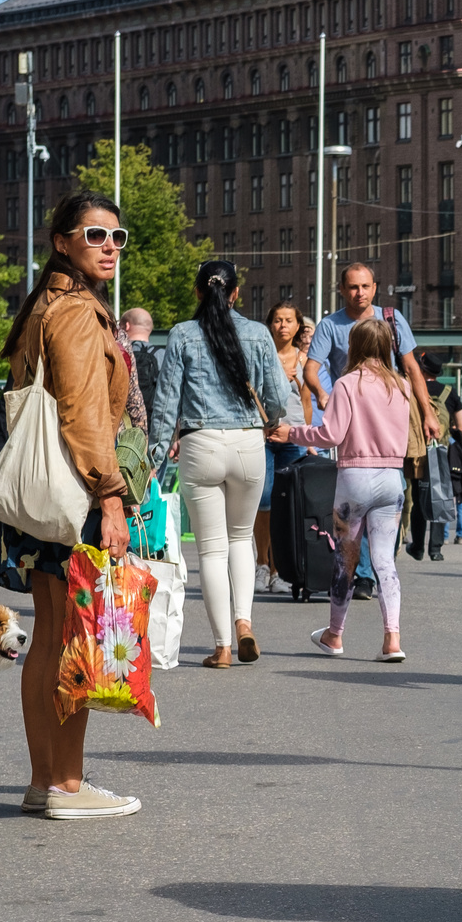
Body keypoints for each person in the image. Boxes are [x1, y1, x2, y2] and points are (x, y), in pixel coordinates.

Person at [0, 190, 143, 821]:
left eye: (116, 237)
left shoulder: (44, 304)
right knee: (73, 636)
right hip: (77, 491)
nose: (108, 246)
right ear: (62, 242)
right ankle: (67, 786)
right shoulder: (77, 313)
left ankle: (43, 779)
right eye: (94, 235)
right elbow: (81, 414)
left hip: (47, 495)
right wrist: (110, 497)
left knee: (51, 633)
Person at [151, 262, 288, 667]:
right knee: (242, 538)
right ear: (236, 293)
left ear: (197, 293)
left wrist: (154, 464)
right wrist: (269, 422)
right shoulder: (259, 334)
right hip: (248, 443)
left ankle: (223, 646)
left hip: (200, 444)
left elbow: (164, 406)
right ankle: (244, 622)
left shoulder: (182, 335)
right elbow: (278, 398)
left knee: (211, 550)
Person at [271, 318, 409, 661]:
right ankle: (392, 639)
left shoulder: (348, 384)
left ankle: (335, 635)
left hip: (355, 479)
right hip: (392, 477)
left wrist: (294, 434)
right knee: (384, 561)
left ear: (355, 346)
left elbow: (330, 435)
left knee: (344, 561)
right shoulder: (402, 385)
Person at [304, 262, 441, 598]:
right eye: (352, 287)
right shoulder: (330, 326)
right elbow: (310, 369)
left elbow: (411, 368)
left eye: (365, 286)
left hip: (391, 417)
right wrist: (322, 394)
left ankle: (377, 564)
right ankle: (365, 574)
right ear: (341, 290)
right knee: (357, 496)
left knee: (390, 493)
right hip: (354, 419)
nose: (359, 293)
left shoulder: (392, 320)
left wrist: (428, 413)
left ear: (375, 288)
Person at [254, 301, 313, 594]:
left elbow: (305, 402)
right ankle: (261, 564)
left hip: (293, 438)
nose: (283, 326)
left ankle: (280, 569)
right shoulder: (262, 356)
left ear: (297, 325)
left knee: (286, 504)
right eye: (277, 320)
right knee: (264, 501)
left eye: (289, 320)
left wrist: (310, 438)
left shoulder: (304, 360)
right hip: (265, 436)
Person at [408, 351, 462, 560]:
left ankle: (417, 546)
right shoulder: (449, 392)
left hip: (418, 452)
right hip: (442, 452)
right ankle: (436, 550)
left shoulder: (414, 390)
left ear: (421, 369)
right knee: (440, 495)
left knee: (417, 498)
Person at [123, 307, 160, 419]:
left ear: (127, 326)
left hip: (123, 421)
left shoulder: (119, 352)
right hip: (152, 421)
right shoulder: (162, 354)